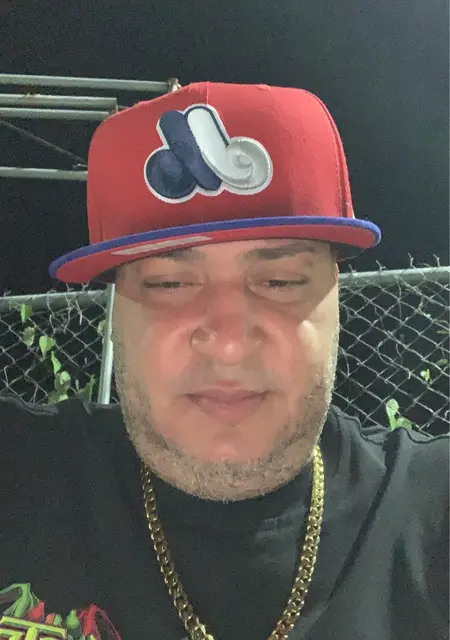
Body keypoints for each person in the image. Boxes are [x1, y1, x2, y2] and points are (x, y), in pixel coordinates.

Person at [0, 82, 448, 640]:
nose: (230, 343)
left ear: (334, 293)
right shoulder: (20, 471)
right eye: (169, 283)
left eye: (279, 280)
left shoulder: (432, 513)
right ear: (116, 310)